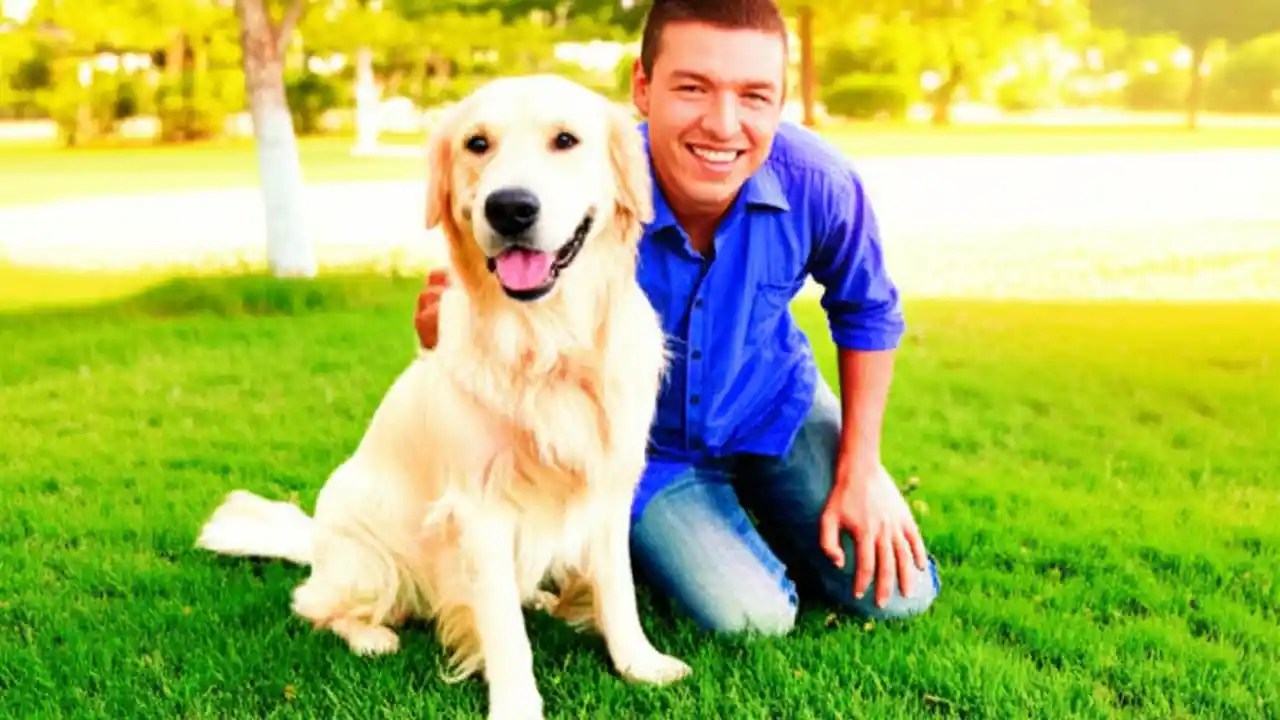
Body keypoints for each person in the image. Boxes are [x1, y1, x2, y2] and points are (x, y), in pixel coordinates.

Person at [415, 0, 939, 635]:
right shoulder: (584, 186)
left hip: (773, 407)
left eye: (754, 96)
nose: (723, 124)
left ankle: (755, 504)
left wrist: (862, 469)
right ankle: (664, 530)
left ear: (779, 101)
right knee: (754, 617)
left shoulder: (818, 182)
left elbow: (868, 311)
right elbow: (496, 297)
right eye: (693, 88)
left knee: (901, 594)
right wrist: (456, 323)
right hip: (646, 452)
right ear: (643, 86)